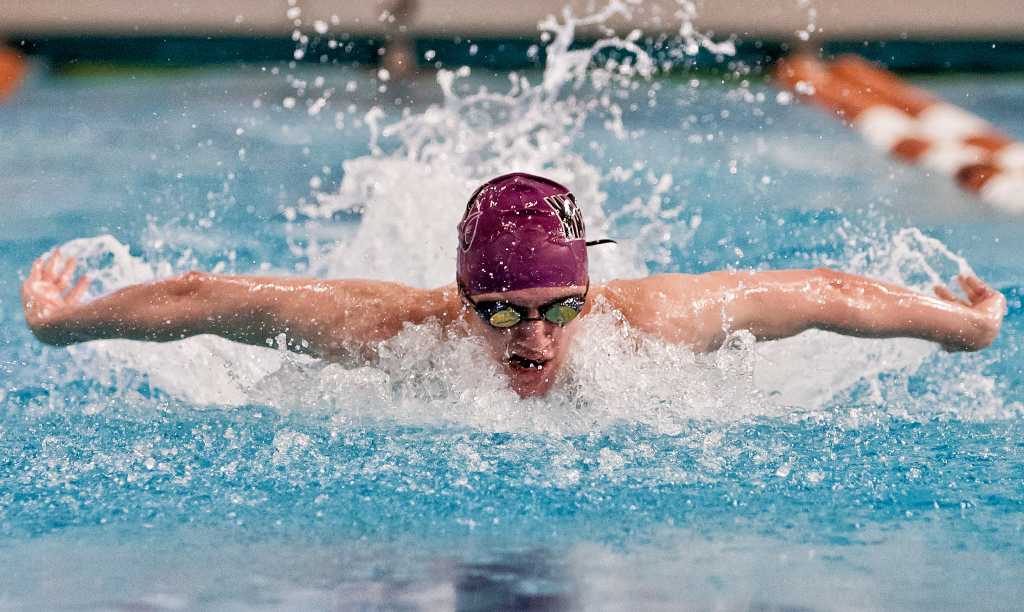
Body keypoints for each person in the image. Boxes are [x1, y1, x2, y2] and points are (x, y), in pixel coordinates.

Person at [21, 172, 1005, 397]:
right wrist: (59, 327)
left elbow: (830, 292)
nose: (527, 340)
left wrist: (963, 331)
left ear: (587, 296)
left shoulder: (658, 323)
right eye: (496, 313)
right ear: (459, 303)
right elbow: (204, 301)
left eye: (552, 312)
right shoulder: (389, 330)